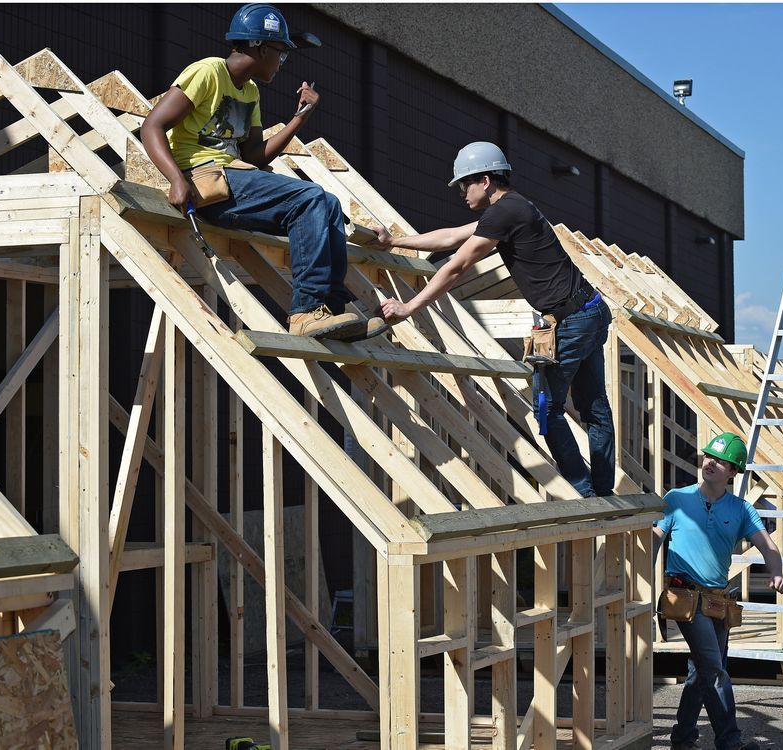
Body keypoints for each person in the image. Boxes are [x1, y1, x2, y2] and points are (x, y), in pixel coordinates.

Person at [374, 142, 615, 498]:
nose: (461, 192)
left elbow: (456, 266)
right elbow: (451, 236)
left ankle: (585, 492)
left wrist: (409, 308)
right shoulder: (512, 208)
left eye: (464, 184)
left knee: (547, 410)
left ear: (485, 181)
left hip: (571, 321)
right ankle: (604, 489)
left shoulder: (504, 212)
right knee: (594, 406)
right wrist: (395, 241)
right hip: (591, 310)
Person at [141, 3, 385, 341]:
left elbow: (254, 156)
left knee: (328, 203)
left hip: (236, 178)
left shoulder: (251, 91)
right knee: (311, 197)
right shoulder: (208, 72)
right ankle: (306, 311)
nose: (282, 62)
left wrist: (300, 117)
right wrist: (175, 179)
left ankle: (331, 310)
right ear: (259, 47)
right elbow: (152, 126)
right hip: (206, 180)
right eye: (281, 53)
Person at [652, 432, 783, 750]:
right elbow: (654, 540)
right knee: (714, 670)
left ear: (733, 472)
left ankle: (683, 739)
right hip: (684, 598)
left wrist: (777, 573)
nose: (710, 463)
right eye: (709, 457)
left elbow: (768, 546)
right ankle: (730, 743)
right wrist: (641, 587)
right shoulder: (676, 499)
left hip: (718, 601)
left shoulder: (741, 509)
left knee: (700, 672)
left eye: (720, 461)